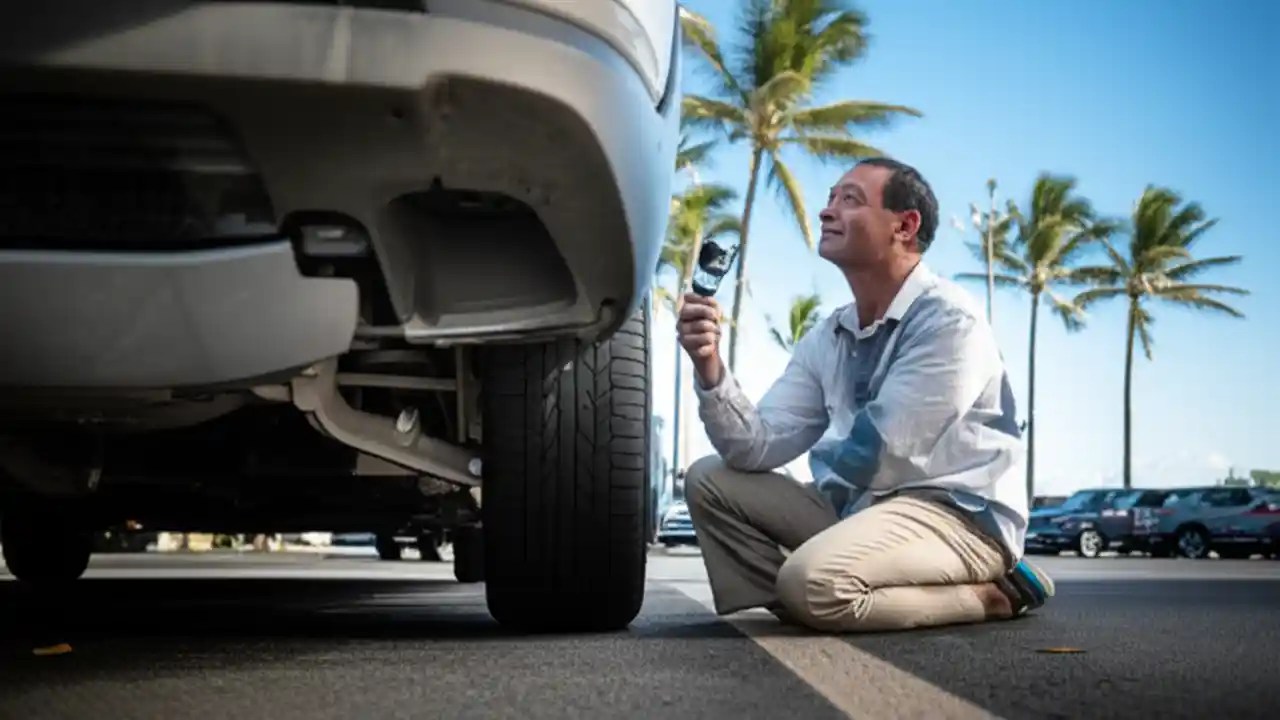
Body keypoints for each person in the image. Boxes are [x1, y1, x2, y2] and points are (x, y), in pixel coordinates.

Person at [676, 157, 1053, 633]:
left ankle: (992, 596)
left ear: (905, 225)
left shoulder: (949, 320)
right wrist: (708, 366)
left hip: (957, 518)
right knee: (709, 477)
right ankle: (819, 595)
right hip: (863, 510)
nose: (826, 211)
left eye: (849, 199)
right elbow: (754, 446)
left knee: (813, 582)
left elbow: (886, 453)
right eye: (829, 198)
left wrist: (813, 482)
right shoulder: (828, 335)